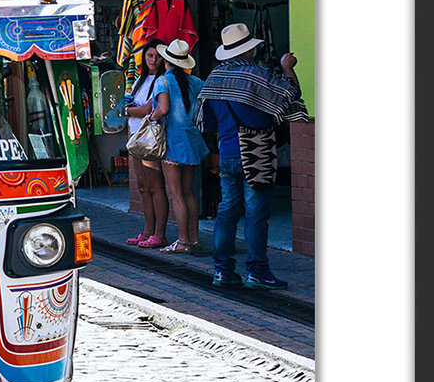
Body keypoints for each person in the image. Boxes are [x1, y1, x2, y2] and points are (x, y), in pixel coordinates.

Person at [196, 22, 308, 288]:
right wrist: (287, 68)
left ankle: (222, 271)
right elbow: (289, 94)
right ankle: (257, 271)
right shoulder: (256, 75)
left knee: (227, 211)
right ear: (248, 50)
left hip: (227, 153)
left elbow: (205, 121)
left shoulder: (213, 78)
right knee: (257, 212)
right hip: (257, 152)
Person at [156, 37, 209, 253]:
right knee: (189, 193)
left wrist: (151, 117)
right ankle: (194, 240)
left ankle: (183, 241)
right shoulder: (196, 82)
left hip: (172, 142)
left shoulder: (163, 81)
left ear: (166, 61)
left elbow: (163, 109)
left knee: (176, 194)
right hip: (193, 140)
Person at [123, 40, 170, 250]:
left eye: (158, 56)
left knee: (155, 186)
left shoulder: (162, 80)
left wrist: (128, 111)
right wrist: (131, 109)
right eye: (150, 55)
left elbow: (146, 110)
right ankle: (148, 231)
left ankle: (160, 234)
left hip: (150, 139)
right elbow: (130, 104)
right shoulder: (139, 80)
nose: (154, 60)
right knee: (143, 187)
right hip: (136, 137)